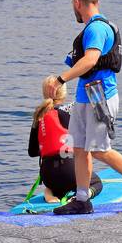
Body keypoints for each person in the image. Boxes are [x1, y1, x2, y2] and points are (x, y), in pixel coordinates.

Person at [52, 0, 122, 215]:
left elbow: (90, 60)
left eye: (73, 5)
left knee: (98, 149)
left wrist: (60, 79)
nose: (73, 9)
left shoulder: (97, 29)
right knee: (79, 148)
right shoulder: (91, 27)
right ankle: (82, 199)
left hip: (100, 98)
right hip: (84, 96)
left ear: (77, 3)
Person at [27, 75, 101, 203]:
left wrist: (49, 145)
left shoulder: (38, 118)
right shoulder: (70, 114)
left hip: (49, 176)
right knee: (97, 183)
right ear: (64, 94)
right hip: (71, 173)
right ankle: (81, 196)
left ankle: (49, 193)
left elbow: (32, 152)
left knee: (55, 186)